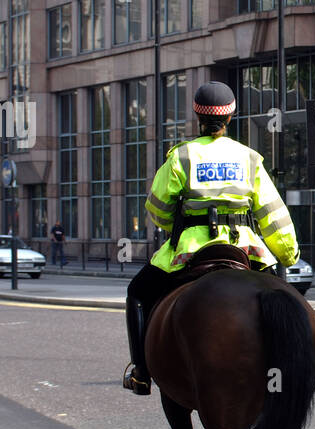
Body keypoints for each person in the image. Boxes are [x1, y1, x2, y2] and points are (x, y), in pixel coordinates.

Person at [122, 81, 300, 395]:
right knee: (287, 305)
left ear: (197, 117)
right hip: (244, 247)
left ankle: (141, 372)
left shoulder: (181, 157)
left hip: (190, 250)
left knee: (137, 293)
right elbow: (273, 215)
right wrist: (287, 254)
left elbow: (157, 207)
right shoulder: (249, 158)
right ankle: (290, 372)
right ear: (230, 117)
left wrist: (177, 228)